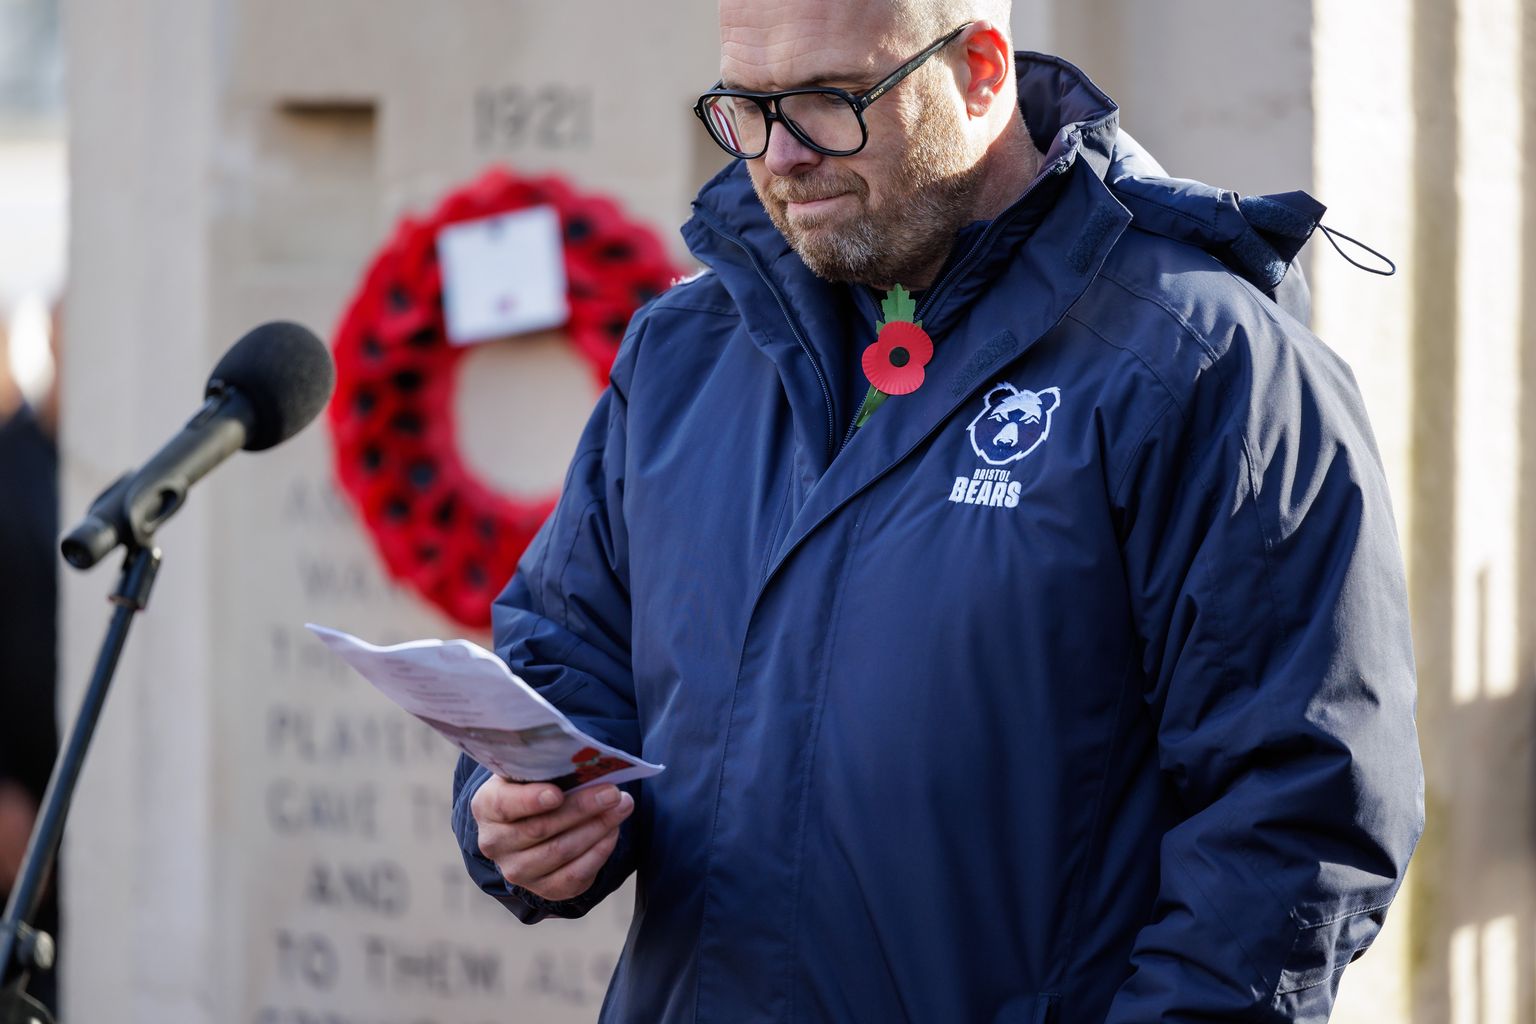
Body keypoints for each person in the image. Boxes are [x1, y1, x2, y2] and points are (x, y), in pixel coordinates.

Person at [451, 2, 1424, 1020]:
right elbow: (562, 655)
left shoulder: (1203, 365)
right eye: (747, 106)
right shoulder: (680, 353)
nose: (781, 155)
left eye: (829, 100)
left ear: (982, 71)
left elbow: (1298, 815)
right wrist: (516, 811)